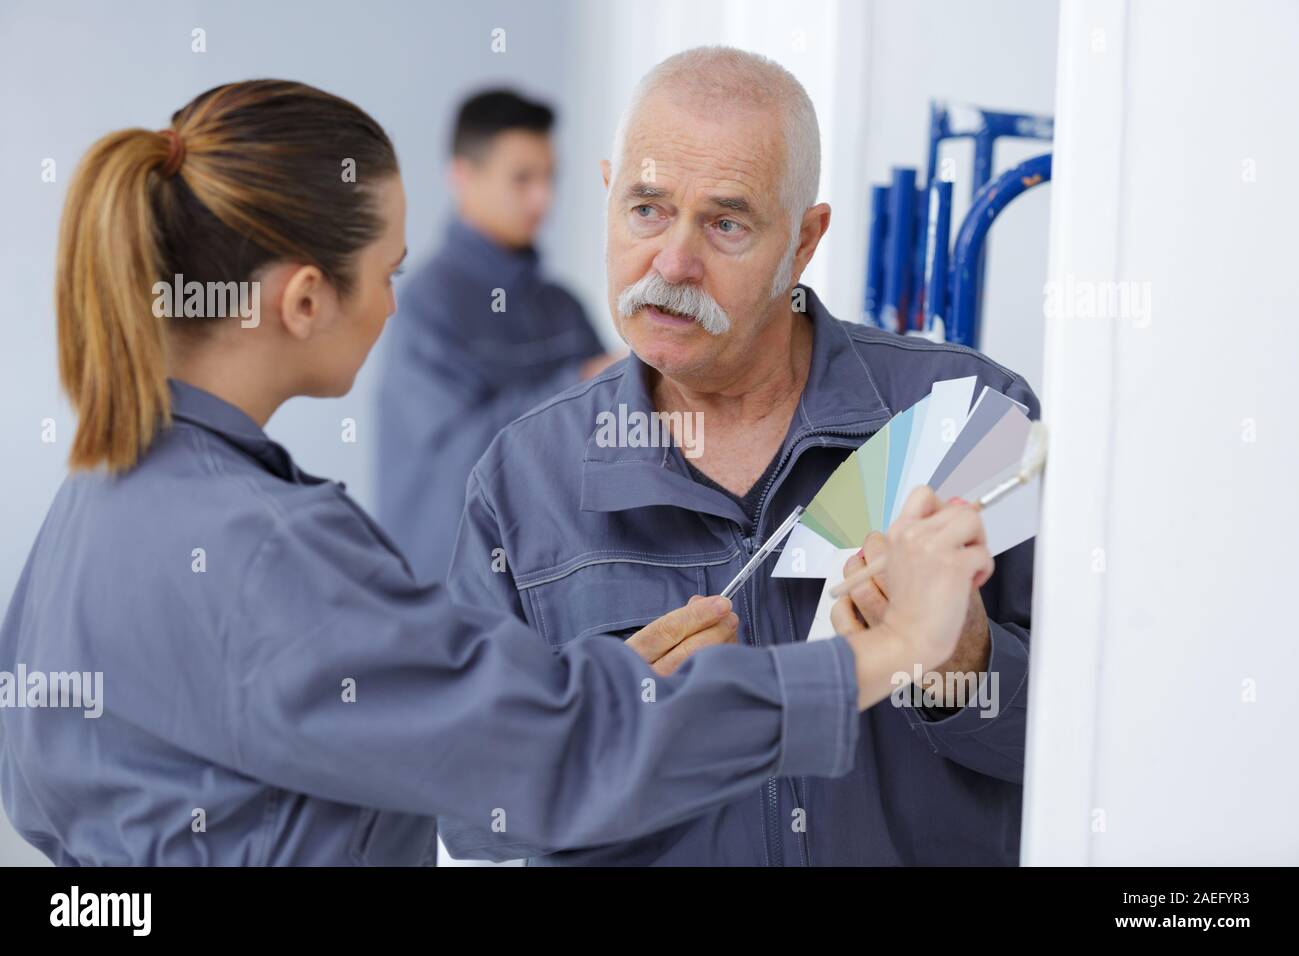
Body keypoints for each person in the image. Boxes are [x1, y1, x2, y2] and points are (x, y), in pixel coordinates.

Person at [0, 79, 994, 866]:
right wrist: (886, 649)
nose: (395, 307)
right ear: (305, 299)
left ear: (803, 238)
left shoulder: (94, 501)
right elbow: (519, 773)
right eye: (387, 274)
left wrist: (606, 687)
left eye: (727, 222)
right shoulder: (304, 539)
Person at [443, 47, 1037, 866]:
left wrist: (962, 667)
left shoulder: (967, 419)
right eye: (647, 209)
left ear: (803, 242)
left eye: (727, 223)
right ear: (611, 192)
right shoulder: (522, 480)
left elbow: (1090, 754)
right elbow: (471, 821)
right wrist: (595, 731)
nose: (673, 263)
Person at [376, 89, 621, 582]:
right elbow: (460, 458)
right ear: (463, 177)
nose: (542, 198)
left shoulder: (562, 307)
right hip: (451, 605)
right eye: (522, 179)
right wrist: (582, 383)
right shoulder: (427, 305)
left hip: (553, 594)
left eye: (550, 178)